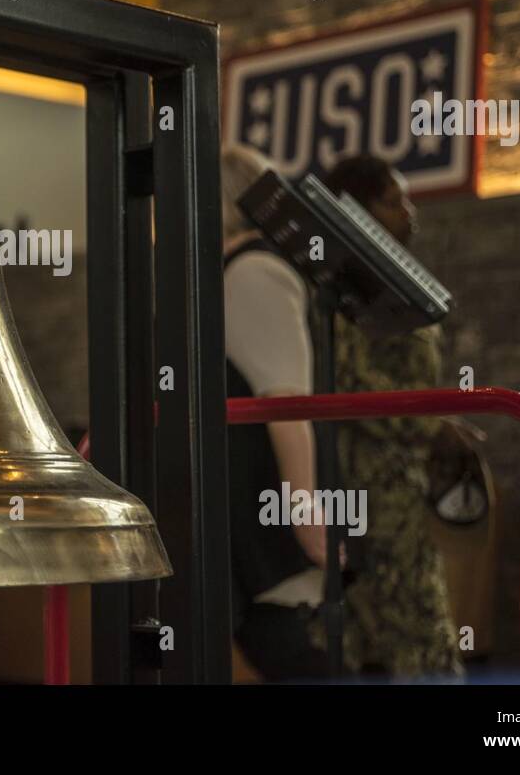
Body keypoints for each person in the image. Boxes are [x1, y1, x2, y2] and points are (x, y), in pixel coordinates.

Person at [320, 154, 466, 680]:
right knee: (419, 635)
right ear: (356, 211)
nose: (409, 211)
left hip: (399, 482)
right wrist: (433, 424)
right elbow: (352, 384)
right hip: (370, 485)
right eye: (392, 200)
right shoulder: (346, 287)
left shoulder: (389, 279)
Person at [220, 144, 330, 680]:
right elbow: (284, 403)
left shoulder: (248, 272)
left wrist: (303, 514)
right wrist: (304, 514)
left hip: (263, 515)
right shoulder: (248, 270)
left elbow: (283, 401)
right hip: (257, 516)